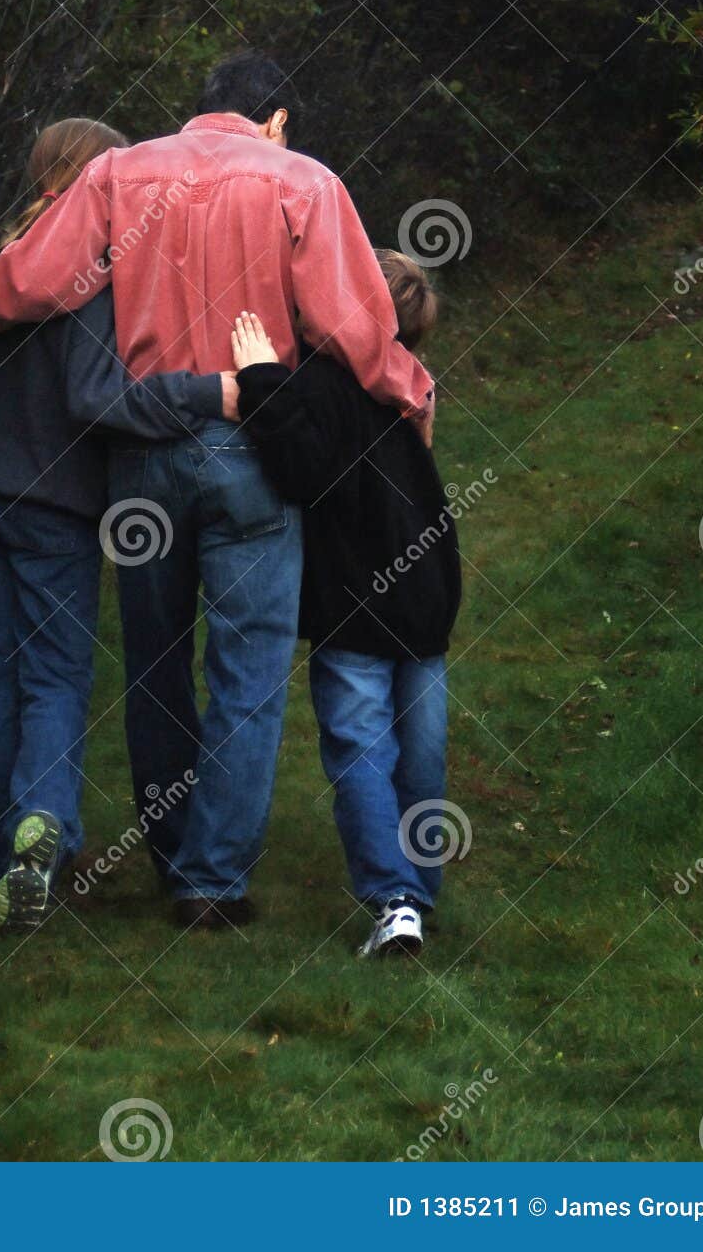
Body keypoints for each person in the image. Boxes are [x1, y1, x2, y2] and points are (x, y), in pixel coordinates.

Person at [0, 53, 435, 929]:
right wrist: (410, 389)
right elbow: (351, 325)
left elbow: (38, 282)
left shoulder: (118, 172)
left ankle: (166, 853)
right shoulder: (303, 181)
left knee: (156, 665)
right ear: (276, 120)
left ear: (201, 108)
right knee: (246, 674)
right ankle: (210, 882)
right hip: (250, 450)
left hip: (142, 454)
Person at [0, 118, 224, 931]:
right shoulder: (98, 269)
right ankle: (43, 825)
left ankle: (2, 860)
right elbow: (97, 397)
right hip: (52, 499)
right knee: (55, 677)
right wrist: (202, 396)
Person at [227, 251, 459, 957]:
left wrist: (261, 377)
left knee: (362, 748)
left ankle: (396, 899)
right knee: (420, 753)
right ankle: (416, 888)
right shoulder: (406, 381)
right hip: (425, 597)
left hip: (357, 599)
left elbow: (303, 468)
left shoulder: (327, 383)